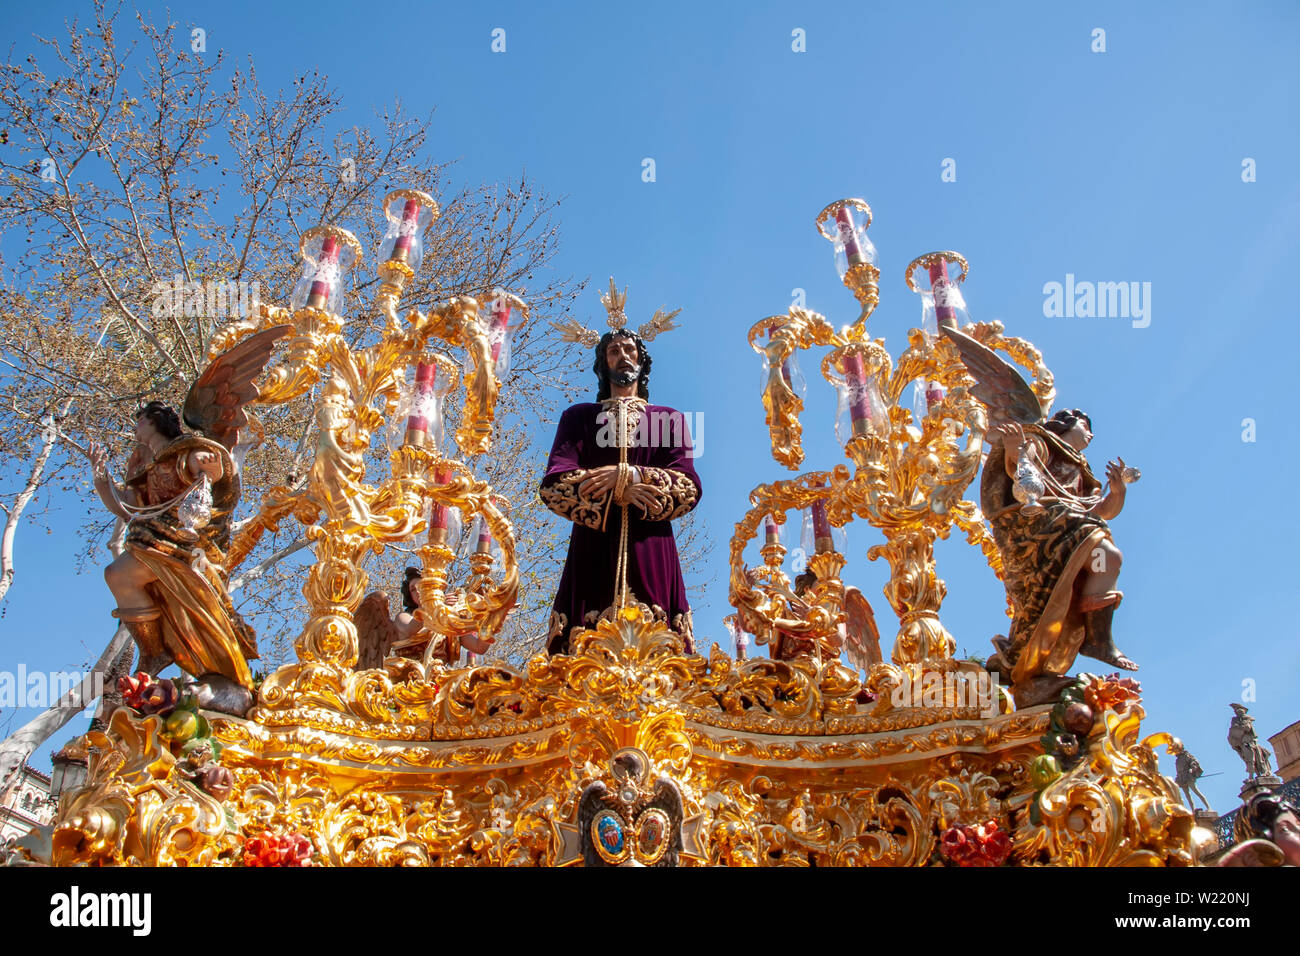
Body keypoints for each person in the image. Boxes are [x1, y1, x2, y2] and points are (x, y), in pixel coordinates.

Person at [86, 402, 259, 712]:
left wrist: (209, 465)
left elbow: (211, 469)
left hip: (177, 543)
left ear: (155, 422)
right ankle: (154, 650)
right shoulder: (144, 465)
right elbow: (126, 506)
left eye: (140, 420)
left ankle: (154, 651)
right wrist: (101, 479)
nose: (136, 427)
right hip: (150, 538)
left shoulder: (182, 450)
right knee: (118, 576)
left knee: (119, 574)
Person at [540, 325, 701, 654]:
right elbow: (555, 481)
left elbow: (687, 484)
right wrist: (613, 488)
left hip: (651, 546)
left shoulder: (668, 419)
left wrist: (631, 477)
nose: (623, 356)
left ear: (642, 360)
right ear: (603, 364)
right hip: (593, 546)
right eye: (614, 351)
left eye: (630, 350)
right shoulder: (579, 418)